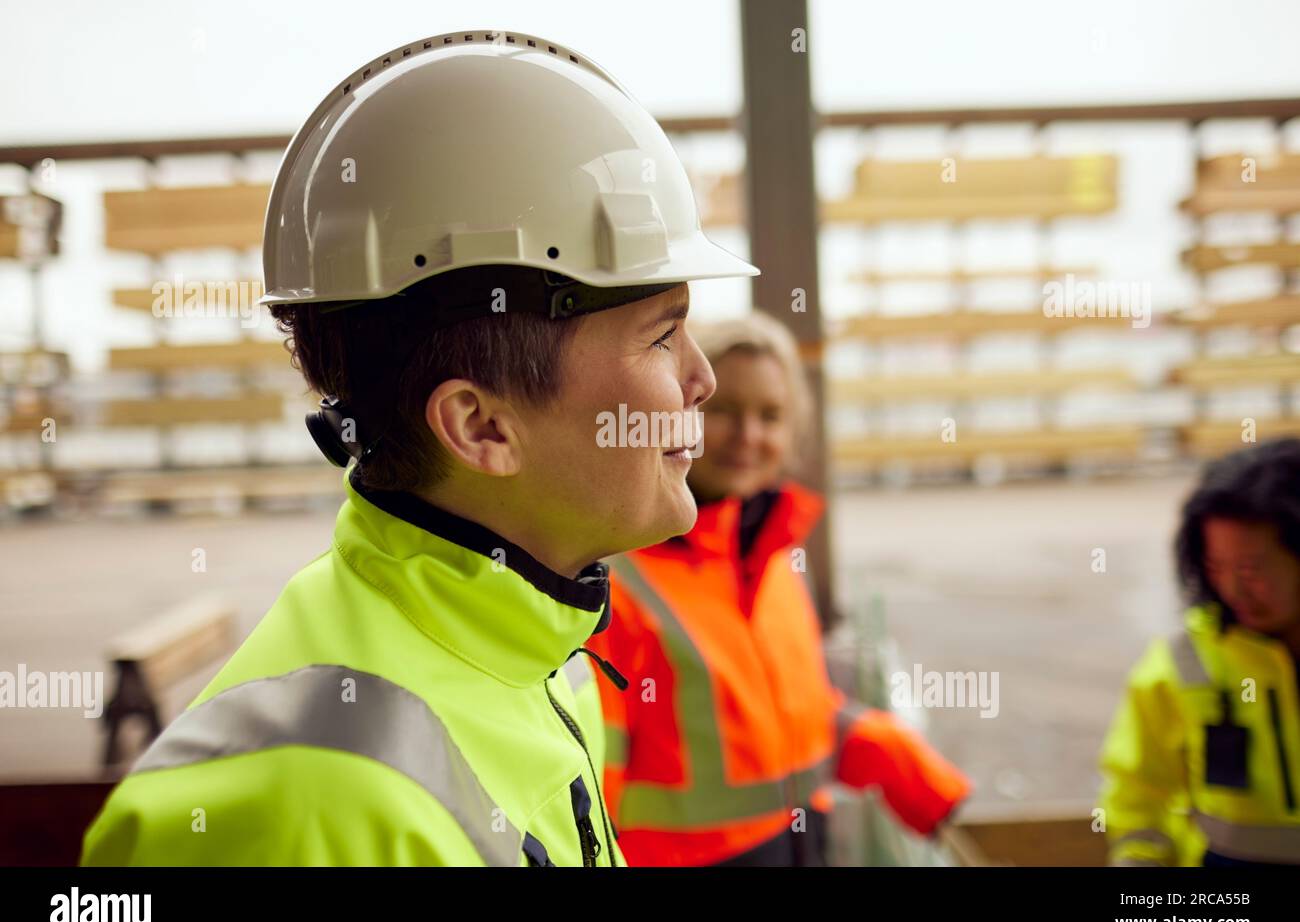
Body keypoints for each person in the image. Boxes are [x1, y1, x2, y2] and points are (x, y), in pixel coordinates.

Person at [81, 29, 757, 867]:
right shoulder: (302, 814)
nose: (703, 381)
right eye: (663, 336)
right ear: (480, 426)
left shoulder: (541, 654)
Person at [585, 312, 971, 866]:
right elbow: (594, 780)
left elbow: (773, 717)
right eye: (721, 412)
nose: (748, 436)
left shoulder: (773, 557)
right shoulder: (617, 580)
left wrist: (881, 747)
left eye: (770, 415)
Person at [1100, 438, 1300, 866]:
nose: (1234, 589)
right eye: (1216, 567)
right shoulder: (1180, 667)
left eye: (1251, 569)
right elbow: (1138, 796)